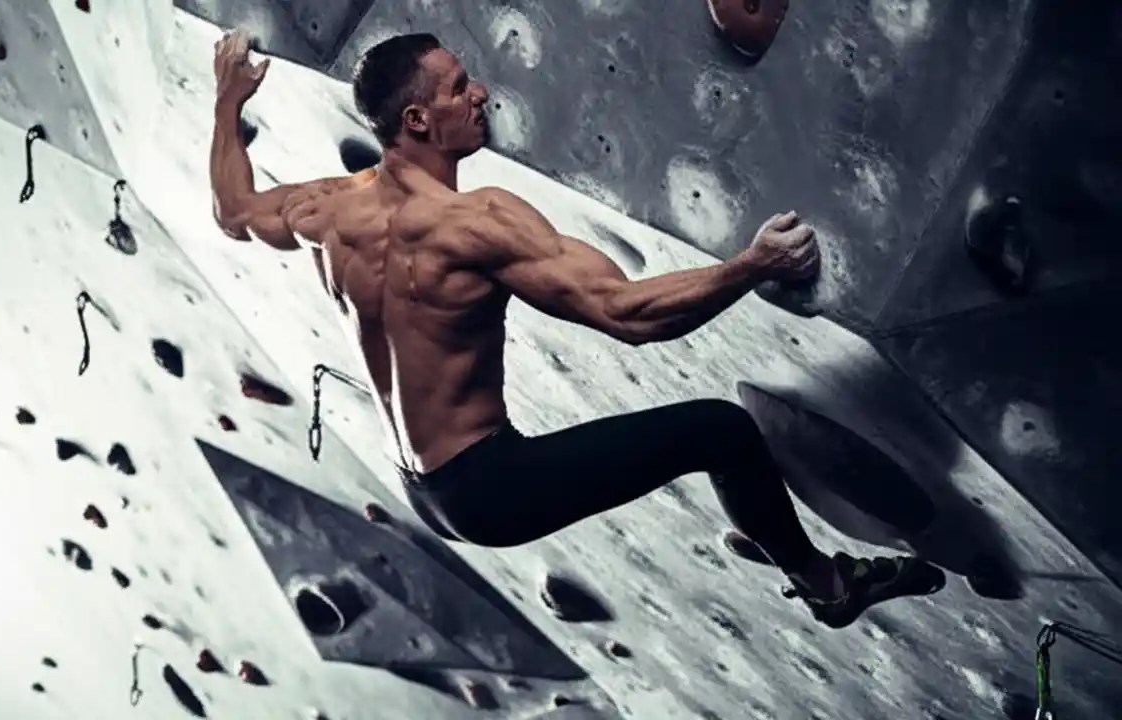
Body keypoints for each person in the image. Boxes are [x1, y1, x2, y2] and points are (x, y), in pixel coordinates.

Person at [208, 29, 944, 628]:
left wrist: (226, 101)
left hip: (422, 490)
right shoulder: (477, 223)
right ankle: (828, 585)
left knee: (707, 438)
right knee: (720, 432)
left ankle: (797, 554)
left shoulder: (330, 210)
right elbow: (627, 315)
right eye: (460, 87)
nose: (481, 94)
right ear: (418, 121)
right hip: (492, 489)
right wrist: (752, 266)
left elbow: (234, 210)